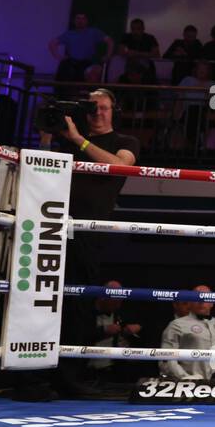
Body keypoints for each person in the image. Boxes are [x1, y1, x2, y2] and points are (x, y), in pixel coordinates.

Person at [37, 89, 139, 286]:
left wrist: (79, 140)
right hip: (55, 223)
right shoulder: (68, 141)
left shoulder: (125, 141)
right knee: (46, 285)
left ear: (113, 112)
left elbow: (120, 166)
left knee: (81, 288)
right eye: (92, 108)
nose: (98, 112)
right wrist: (46, 139)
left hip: (90, 227)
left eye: (103, 108)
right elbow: (41, 171)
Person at [50, 13, 113, 83]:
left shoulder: (93, 32)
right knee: (64, 69)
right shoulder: (69, 34)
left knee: (91, 74)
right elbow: (52, 43)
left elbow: (109, 41)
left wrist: (108, 55)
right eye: (78, 18)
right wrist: (59, 57)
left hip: (87, 63)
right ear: (74, 21)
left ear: (86, 21)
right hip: (72, 63)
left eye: (83, 18)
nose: (80, 21)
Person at [117, 18, 160, 83]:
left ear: (143, 29)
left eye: (138, 29)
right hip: (130, 69)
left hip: (146, 69)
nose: (135, 31)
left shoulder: (150, 38)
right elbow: (120, 52)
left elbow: (156, 55)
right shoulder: (126, 37)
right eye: (133, 29)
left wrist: (137, 53)